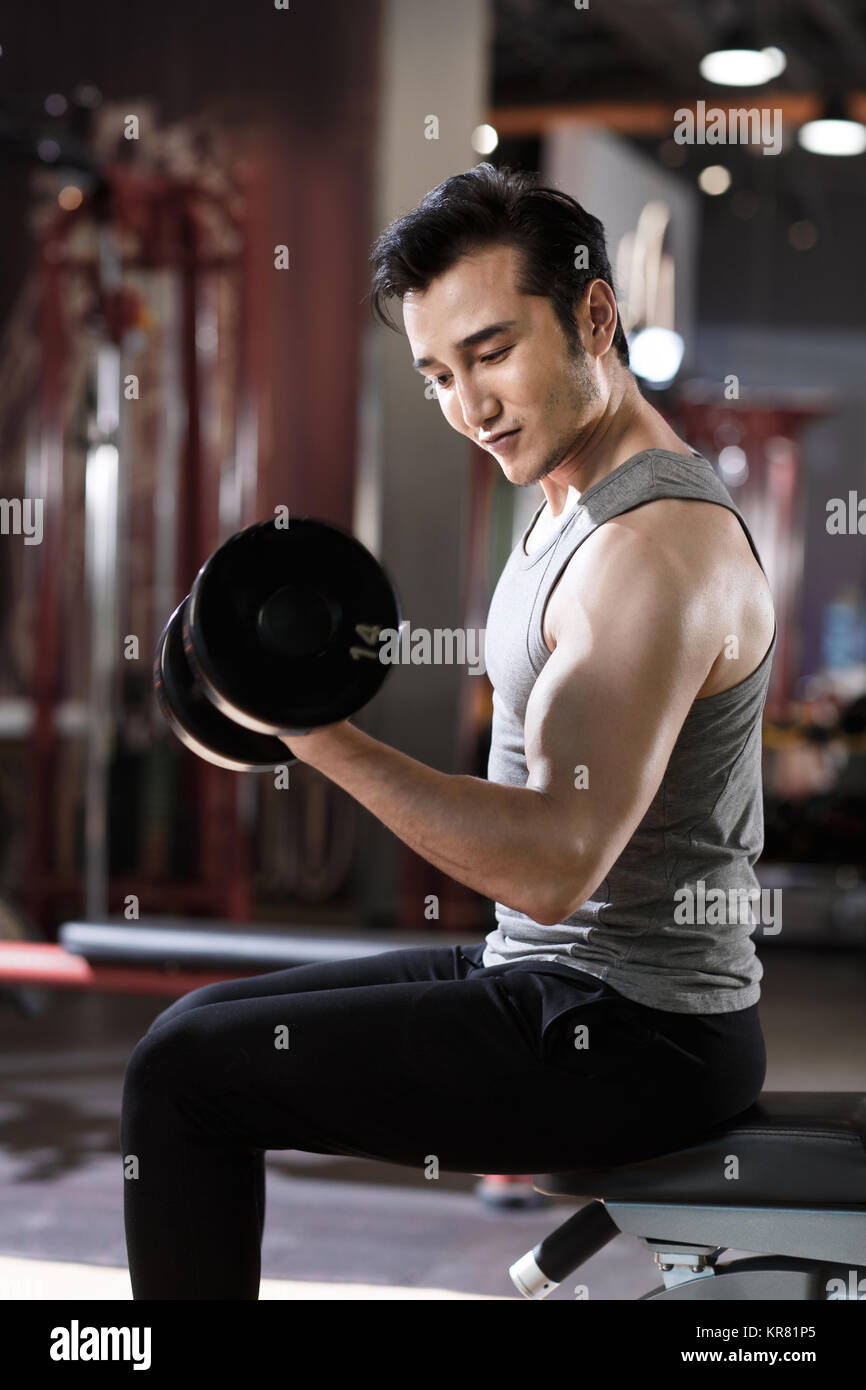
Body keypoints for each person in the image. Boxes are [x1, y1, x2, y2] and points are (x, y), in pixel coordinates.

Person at [121, 163, 773, 1299]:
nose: (467, 406)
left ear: (594, 316)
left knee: (186, 1074)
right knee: (191, 1026)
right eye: (435, 375)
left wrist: (313, 729)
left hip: (633, 1038)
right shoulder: (561, 495)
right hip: (556, 978)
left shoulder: (653, 549)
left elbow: (553, 863)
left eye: (489, 353)